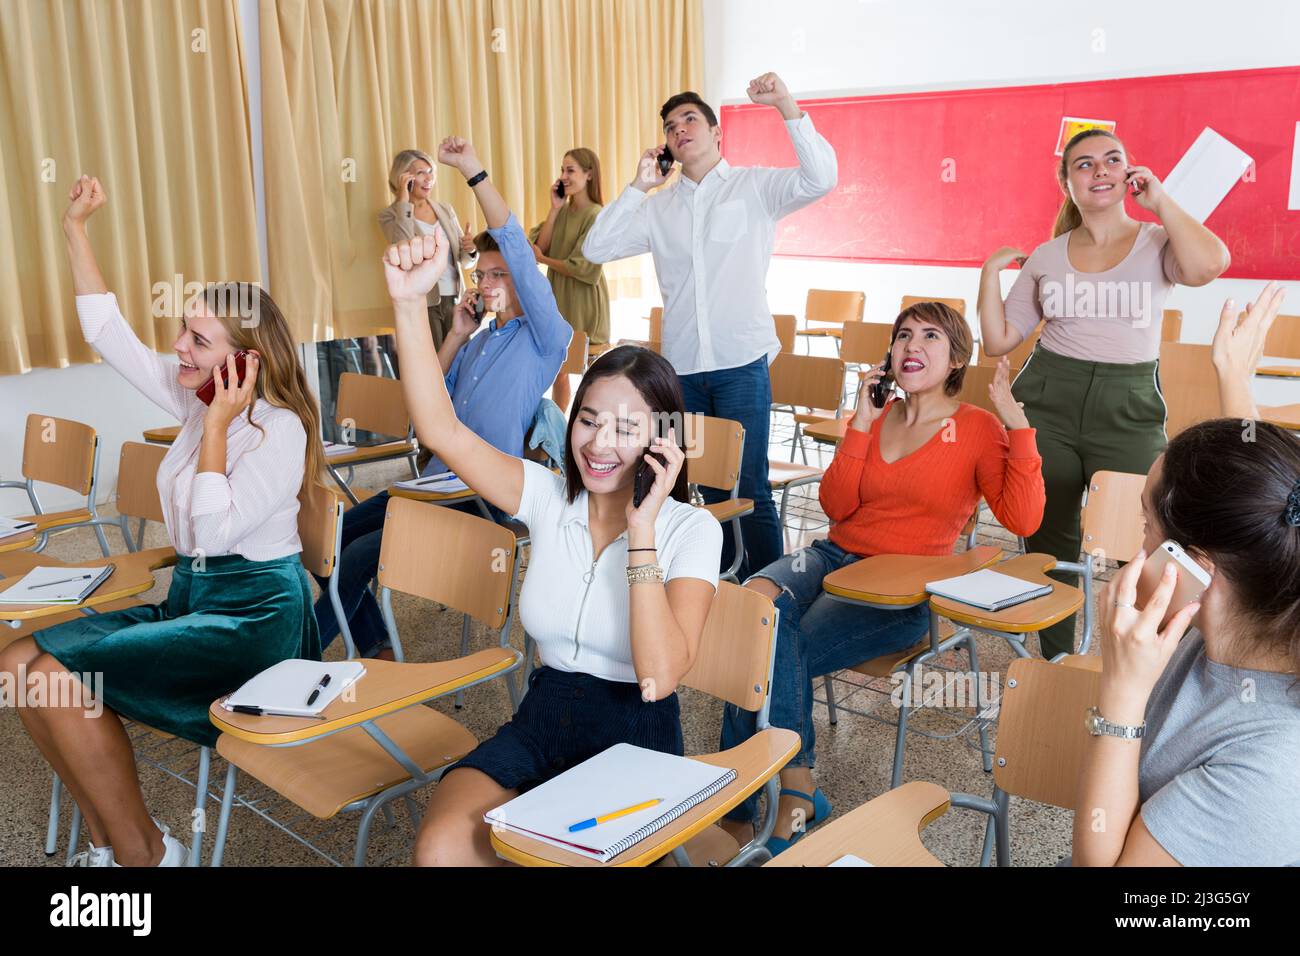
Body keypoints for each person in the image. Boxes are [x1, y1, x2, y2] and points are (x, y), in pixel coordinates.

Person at [379, 216, 724, 866]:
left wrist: (642, 532)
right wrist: (406, 302)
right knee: (444, 842)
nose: (598, 442)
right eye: (588, 420)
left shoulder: (691, 531)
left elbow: (659, 676)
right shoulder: (548, 495)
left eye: (626, 428)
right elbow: (441, 430)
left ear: (663, 440)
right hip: (545, 712)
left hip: (636, 735)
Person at [0, 175, 323, 867]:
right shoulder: (194, 395)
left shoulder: (279, 429)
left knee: (54, 676)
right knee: (16, 667)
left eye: (197, 338)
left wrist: (215, 426)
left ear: (245, 360)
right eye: (183, 329)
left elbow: (209, 537)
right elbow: (105, 330)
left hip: (255, 616)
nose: (178, 346)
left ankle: (148, 854)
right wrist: (75, 227)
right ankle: (107, 847)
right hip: (194, 600)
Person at [717, 302, 1046, 854]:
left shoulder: (977, 430)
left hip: (898, 591)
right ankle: (792, 789)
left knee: (768, 646)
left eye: (930, 337)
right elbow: (836, 505)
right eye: (903, 336)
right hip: (830, 557)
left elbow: (1023, 519)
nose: (912, 346)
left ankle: (752, 802)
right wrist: (862, 426)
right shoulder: (877, 414)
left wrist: (1017, 424)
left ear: (957, 356)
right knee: (753, 608)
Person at [313, 138, 572, 659]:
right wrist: (455, 335)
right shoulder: (477, 340)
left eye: (502, 274)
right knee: (327, 539)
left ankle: (291, 654)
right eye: (485, 273)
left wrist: (474, 172)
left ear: (524, 283)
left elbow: (517, 246)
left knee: (358, 555)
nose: (490, 281)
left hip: (484, 500)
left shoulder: (545, 336)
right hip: (436, 485)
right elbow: (427, 408)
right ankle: (374, 644)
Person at [978, 127, 1230, 658]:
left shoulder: (1158, 240)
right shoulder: (1047, 255)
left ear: (1127, 174)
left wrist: (1159, 200)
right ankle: (1055, 659)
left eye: (1111, 160)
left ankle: (1160, 668)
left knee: (1153, 540)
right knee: (1049, 537)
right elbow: (999, 339)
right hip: (1050, 395)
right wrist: (987, 275)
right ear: (1067, 183)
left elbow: (1210, 264)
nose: (1099, 170)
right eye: (1084, 164)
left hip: (1130, 402)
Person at [1073, 283, 1300, 867]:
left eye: (1147, 529)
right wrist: (1233, 377)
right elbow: (1261, 509)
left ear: (1196, 568)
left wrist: (1121, 698)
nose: (1136, 549)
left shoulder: (1269, 768)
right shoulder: (1251, 601)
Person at [583, 72, 838, 580]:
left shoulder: (755, 187)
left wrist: (786, 105)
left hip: (741, 366)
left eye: (690, 119)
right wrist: (637, 187)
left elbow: (821, 178)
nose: (680, 129)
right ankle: (708, 581)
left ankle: (769, 597)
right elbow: (595, 248)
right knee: (683, 482)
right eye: (671, 125)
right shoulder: (656, 209)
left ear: (717, 132)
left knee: (748, 488)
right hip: (679, 376)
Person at [528, 148, 610, 412]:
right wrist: (554, 209)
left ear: (588, 175)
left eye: (570, 170)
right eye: (562, 170)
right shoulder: (562, 211)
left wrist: (544, 259)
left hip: (584, 303)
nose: (563, 176)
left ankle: (588, 424)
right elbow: (540, 245)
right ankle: (557, 430)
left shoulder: (596, 214)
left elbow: (583, 267)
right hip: (559, 299)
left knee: (588, 372)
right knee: (559, 369)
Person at [378, 148, 478, 352]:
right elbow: (403, 250)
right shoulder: (389, 216)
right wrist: (403, 203)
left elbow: (464, 261)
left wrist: (471, 250)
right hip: (424, 302)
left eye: (430, 171)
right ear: (403, 177)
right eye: (421, 172)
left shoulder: (445, 210)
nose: (429, 178)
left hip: (455, 299)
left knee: (462, 360)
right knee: (436, 365)